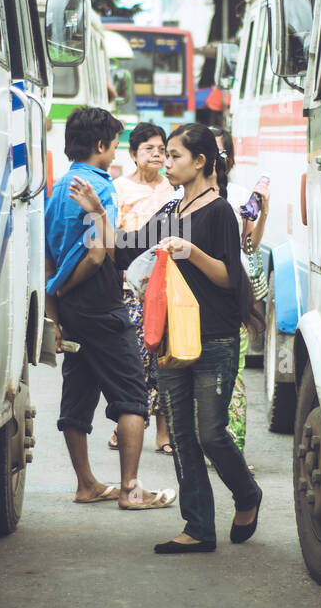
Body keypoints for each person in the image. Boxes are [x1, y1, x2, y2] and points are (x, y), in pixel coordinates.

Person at [71, 123, 264, 553]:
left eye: (174, 155)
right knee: (180, 436)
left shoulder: (218, 212)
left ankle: (247, 493)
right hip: (171, 340)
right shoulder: (172, 210)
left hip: (214, 338)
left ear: (200, 161)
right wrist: (98, 214)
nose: (166, 162)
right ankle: (198, 527)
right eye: (165, 154)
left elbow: (232, 279)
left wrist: (191, 252)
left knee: (211, 433)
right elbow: (122, 250)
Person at [43, 107, 177, 510]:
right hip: (100, 302)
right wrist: (66, 286)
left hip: (71, 311)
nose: (116, 154)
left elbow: (48, 256)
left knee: (78, 391)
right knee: (133, 396)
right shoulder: (99, 187)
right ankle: (130, 489)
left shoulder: (59, 188)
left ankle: (86, 484)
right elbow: (100, 253)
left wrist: (55, 307)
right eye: (116, 145)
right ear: (100, 145)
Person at [106, 123, 175, 456]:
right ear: (133, 154)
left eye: (162, 149)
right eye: (149, 148)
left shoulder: (173, 189)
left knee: (163, 357)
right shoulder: (118, 188)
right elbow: (111, 237)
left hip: (166, 286)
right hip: (129, 287)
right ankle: (128, 424)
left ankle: (163, 431)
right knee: (133, 358)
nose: (157, 154)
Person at [208, 127, 270, 472]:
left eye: (219, 152)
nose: (213, 159)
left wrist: (264, 212)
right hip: (194, 295)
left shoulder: (240, 196)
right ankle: (208, 441)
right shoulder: (182, 195)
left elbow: (249, 247)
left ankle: (234, 449)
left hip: (235, 292)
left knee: (235, 371)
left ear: (228, 158)